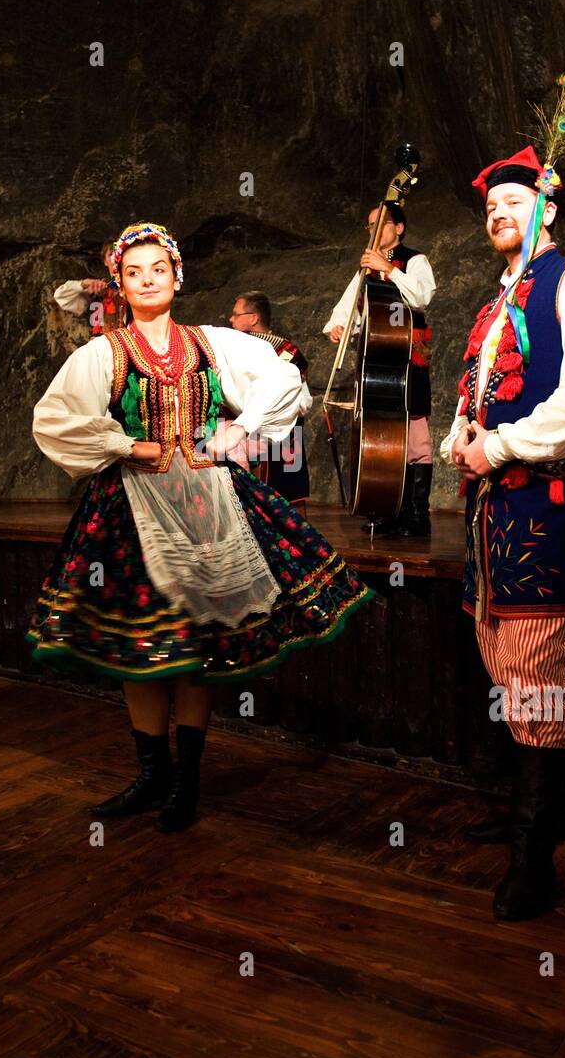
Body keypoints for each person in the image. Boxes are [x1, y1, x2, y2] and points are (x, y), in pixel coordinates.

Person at [27, 221, 372, 833]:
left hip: (209, 501)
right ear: (120, 285)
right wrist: (123, 443)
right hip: (132, 506)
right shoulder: (104, 351)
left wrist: (239, 429)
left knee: (197, 648)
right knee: (145, 644)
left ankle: (185, 779)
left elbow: (285, 380)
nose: (146, 280)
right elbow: (54, 419)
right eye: (133, 273)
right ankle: (152, 772)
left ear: (176, 276)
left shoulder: (213, 344)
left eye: (157, 268)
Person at [440, 145, 565, 921]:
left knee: (534, 664)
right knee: (503, 654)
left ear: (546, 208)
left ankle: (532, 851)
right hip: (493, 509)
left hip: (545, 502)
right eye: (488, 209)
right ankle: (548, 806)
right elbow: (475, 394)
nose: (497, 215)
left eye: (511, 202)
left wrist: (502, 445)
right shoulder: (492, 305)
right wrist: (459, 434)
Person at [324, 203, 436, 535]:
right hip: (375, 363)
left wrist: (388, 269)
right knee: (385, 438)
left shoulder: (414, 260)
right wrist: (339, 327)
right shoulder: (365, 271)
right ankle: (390, 507)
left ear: (399, 228)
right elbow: (347, 310)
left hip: (406, 361)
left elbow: (421, 297)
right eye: (369, 225)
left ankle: (418, 513)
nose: (373, 231)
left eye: (381, 224)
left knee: (415, 439)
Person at [229, 289, 312, 507]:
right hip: (245, 431)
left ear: (253, 318)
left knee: (286, 495)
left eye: (236, 314)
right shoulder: (233, 346)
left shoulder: (286, 352)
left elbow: (303, 400)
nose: (231, 320)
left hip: (277, 435)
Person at [53, 241, 128, 335]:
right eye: (110, 254)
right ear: (105, 261)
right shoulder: (97, 291)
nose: (114, 259)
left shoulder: (137, 288)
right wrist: (83, 284)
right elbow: (60, 296)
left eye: (118, 253)